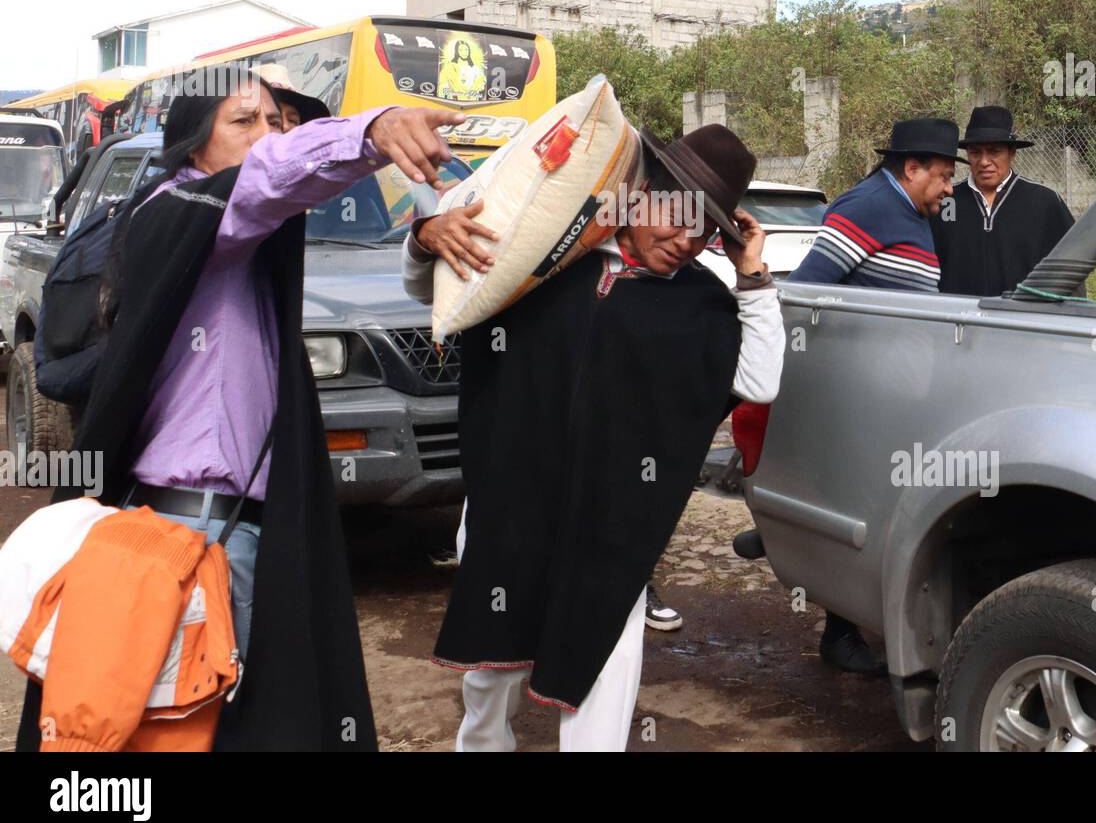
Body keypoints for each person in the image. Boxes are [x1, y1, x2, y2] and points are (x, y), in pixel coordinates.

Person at [16, 62, 465, 752]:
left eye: (278, 123)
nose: (268, 137)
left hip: (223, 533)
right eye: (245, 120)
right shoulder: (189, 211)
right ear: (196, 145)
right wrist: (373, 129)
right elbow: (272, 175)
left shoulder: (233, 237)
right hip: (195, 538)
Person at [404, 124, 784, 750]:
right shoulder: (548, 258)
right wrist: (423, 238)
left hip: (615, 525)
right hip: (511, 504)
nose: (687, 241)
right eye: (677, 214)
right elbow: (433, 290)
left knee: (602, 669)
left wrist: (752, 274)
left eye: (707, 231)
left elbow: (760, 381)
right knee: (489, 675)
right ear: (638, 195)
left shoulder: (702, 307)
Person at [784, 117, 962, 675]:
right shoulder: (865, 206)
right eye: (942, 175)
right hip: (865, 399)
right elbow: (809, 290)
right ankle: (839, 635)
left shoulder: (909, 209)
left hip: (898, 395)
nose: (949, 188)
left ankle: (867, 625)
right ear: (911, 169)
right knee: (866, 511)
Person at [930, 105, 1074, 297]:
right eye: (975, 152)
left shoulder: (1043, 202)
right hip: (959, 318)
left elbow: (1068, 267)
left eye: (994, 151)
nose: (983, 161)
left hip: (1020, 319)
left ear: (1012, 153)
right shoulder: (946, 200)